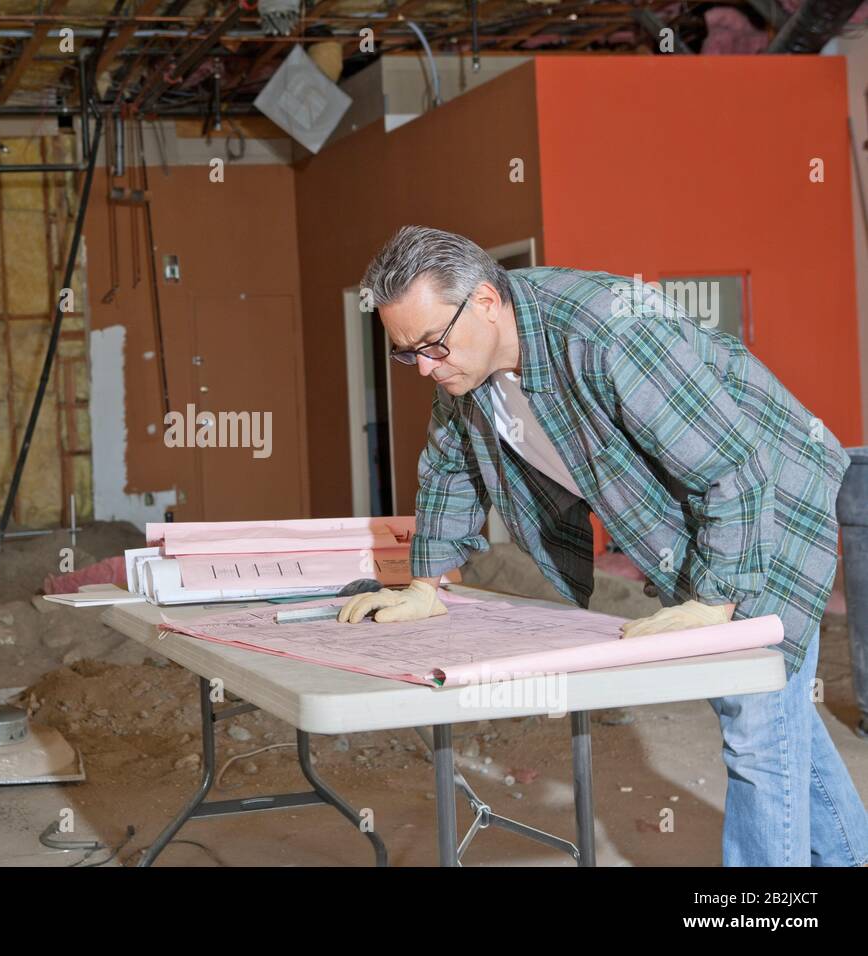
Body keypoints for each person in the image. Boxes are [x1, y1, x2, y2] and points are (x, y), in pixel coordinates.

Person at [339, 225, 868, 866]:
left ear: (483, 300)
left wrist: (717, 597)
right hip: (707, 511)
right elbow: (450, 465)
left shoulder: (607, 334)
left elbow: (734, 468)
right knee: (779, 720)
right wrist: (428, 584)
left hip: (770, 499)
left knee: (757, 732)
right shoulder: (466, 362)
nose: (424, 365)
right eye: (407, 353)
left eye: (430, 344)